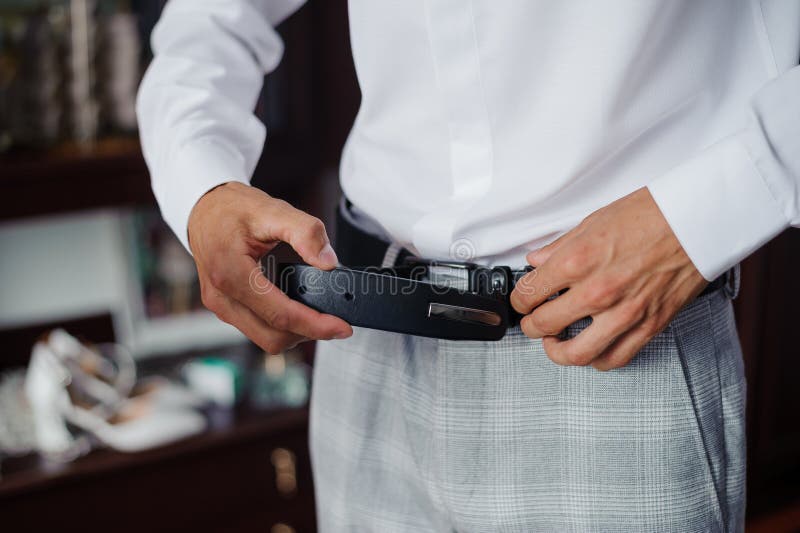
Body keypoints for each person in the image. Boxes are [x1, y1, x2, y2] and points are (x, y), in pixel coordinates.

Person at [136, 1, 800, 531]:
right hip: (365, 352)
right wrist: (201, 185)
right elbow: (211, 17)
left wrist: (711, 209)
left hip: (610, 344)